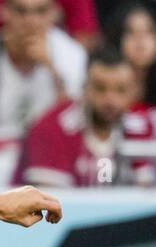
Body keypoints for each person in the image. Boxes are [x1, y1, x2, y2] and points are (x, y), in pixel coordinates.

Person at [14, 46, 154, 186]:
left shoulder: (142, 128)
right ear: (84, 88)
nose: (111, 100)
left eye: (121, 90)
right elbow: (47, 203)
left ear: (134, 92)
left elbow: (147, 191)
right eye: (100, 88)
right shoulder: (51, 128)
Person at [0, 0, 89, 145]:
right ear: (2, 12)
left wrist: (52, 70)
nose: (31, 21)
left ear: (54, 14)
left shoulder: (73, 55)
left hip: (47, 153)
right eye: (20, 11)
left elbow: (76, 124)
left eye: (41, 11)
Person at [104, 0, 156, 105]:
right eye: (131, 32)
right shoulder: (103, 83)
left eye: (148, 31)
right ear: (117, 38)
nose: (140, 41)